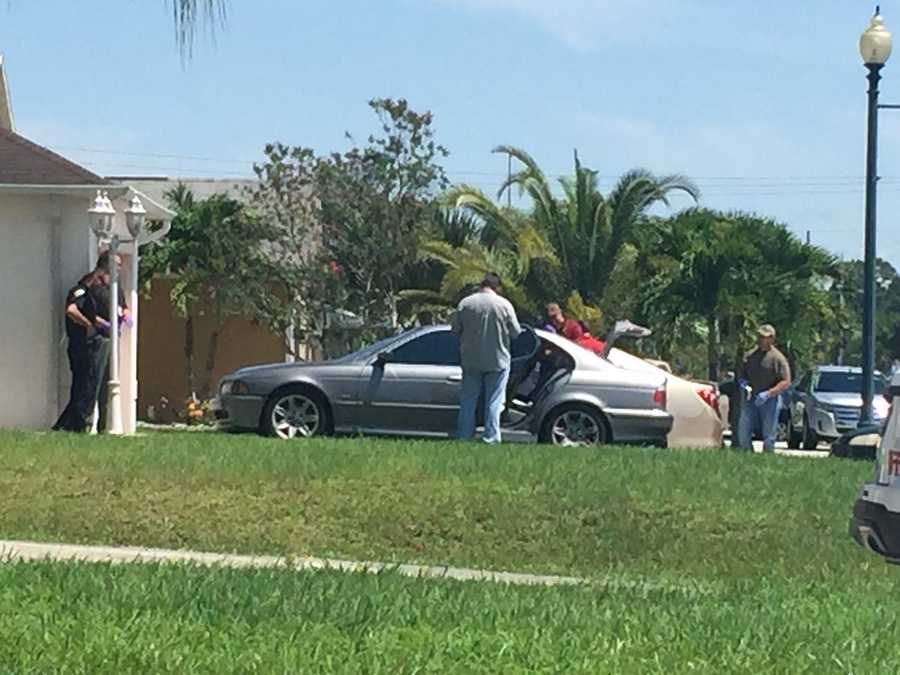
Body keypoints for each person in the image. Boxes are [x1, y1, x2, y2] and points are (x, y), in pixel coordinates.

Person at [451, 273, 522, 444]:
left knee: (468, 400)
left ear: (481, 285)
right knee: (494, 401)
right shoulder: (504, 305)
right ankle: (491, 437)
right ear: (497, 287)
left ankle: (464, 435)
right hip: (498, 360)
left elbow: (455, 329)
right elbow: (516, 332)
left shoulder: (465, 303)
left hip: (471, 359)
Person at [53, 257, 110, 432]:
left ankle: (68, 424)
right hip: (81, 346)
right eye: (100, 279)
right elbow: (71, 310)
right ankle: (76, 423)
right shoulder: (80, 291)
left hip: (86, 345)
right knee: (84, 386)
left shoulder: (90, 296)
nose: (101, 284)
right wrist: (89, 325)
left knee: (84, 386)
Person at [88, 252, 132, 433]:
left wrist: (127, 314)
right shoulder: (95, 284)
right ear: (106, 265)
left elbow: (122, 304)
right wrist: (106, 321)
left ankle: (104, 426)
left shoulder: (116, 286)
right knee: (95, 381)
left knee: (110, 380)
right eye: (117, 265)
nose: (120, 269)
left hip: (113, 338)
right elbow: (92, 309)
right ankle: (87, 422)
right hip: (99, 338)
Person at [737, 324, 792, 453]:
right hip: (751, 398)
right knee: (743, 430)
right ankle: (746, 455)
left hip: (770, 400)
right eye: (761, 337)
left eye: (767, 337)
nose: (763, 340)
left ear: (772, 339)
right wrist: (744, 385)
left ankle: (767, 457)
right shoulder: (750, 356)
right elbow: (742, 376)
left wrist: (768, 393)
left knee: (768, 435)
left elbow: (786, 381)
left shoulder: (778, 358)